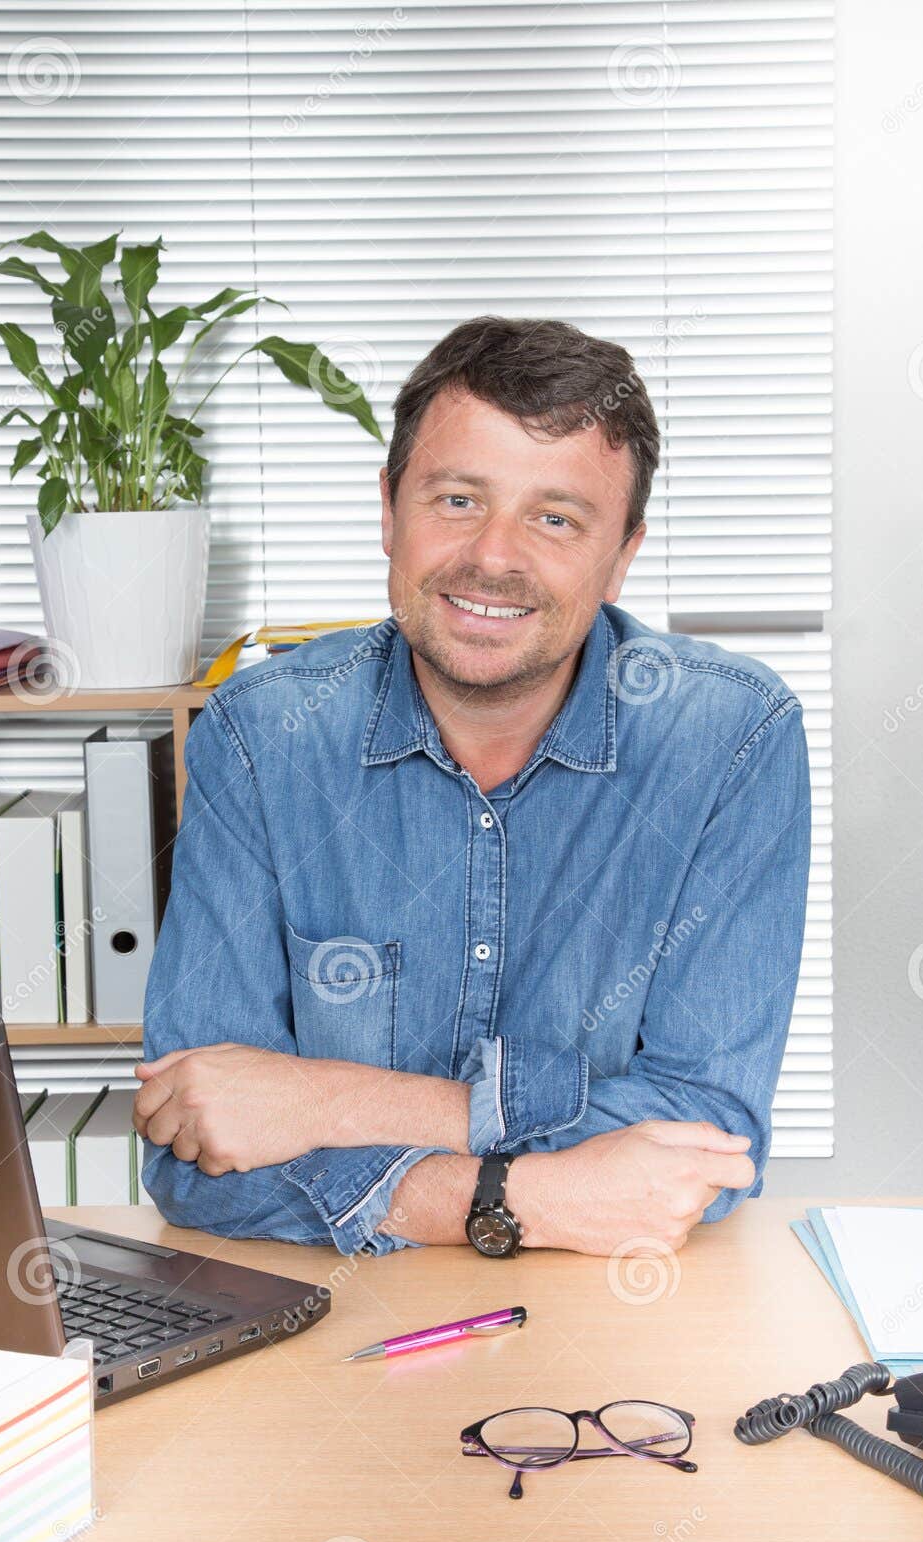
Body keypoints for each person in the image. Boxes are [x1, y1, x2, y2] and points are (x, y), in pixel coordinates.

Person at [134, 315, 811, 1263]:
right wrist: (524, 1196)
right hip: (334, 1333)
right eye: (455, 499)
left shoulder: (731, 737)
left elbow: (702, 1139)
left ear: (621, 554)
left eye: (556, 518)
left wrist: (321, 1100)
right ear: (388, 509)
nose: (493, 556)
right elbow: (193, 1144)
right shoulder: (259, 734)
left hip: (619, 1328)